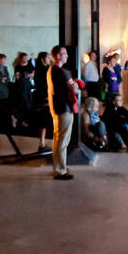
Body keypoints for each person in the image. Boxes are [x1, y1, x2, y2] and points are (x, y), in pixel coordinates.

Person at [48, 45, 76, 180]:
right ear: (58, 56)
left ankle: (59, 167)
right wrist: (76, 84)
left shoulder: (51, 70)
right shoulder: (61, 71)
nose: (67, 56)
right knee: (63, 141)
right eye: (65, 53)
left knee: (58, 139)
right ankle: (60, 170)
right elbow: (74, 89)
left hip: (56, 108)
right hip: (64, 109)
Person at [32, 51, 53, 152]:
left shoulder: (41, 69)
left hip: (42, 97)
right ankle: (42, 144)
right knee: (43, 121)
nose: (50, 59)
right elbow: (44, 85)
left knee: (43, 122)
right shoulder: (43, 70)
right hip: (44, 97)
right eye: (48, 57)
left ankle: (42, 143)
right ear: (42, 59)